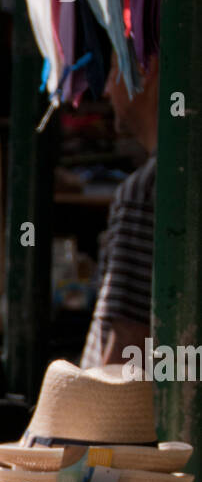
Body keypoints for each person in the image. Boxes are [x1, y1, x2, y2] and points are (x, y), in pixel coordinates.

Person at [80, 53, 158, 368]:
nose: (107, 90)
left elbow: (128, 344)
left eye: (113, 69)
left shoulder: (147, 189)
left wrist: (96, 411)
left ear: (146, 71)